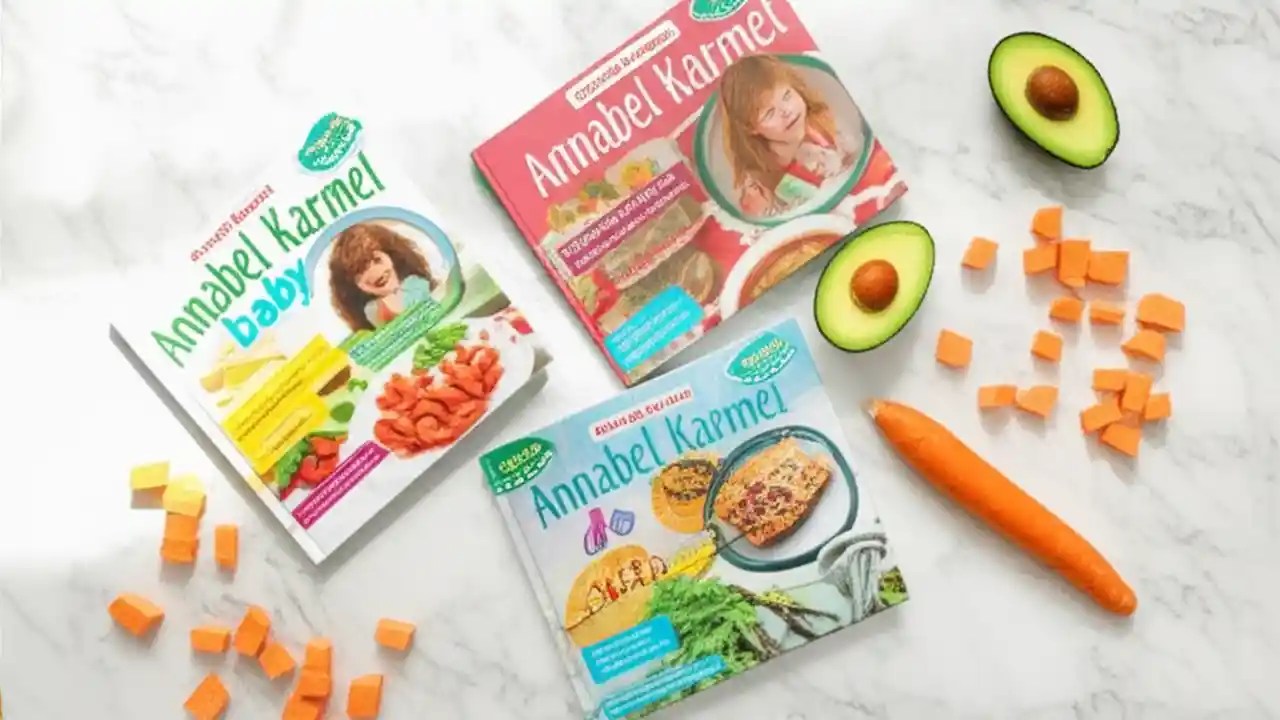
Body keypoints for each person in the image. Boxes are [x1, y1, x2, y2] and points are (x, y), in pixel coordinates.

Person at [718, 54, 859, 218]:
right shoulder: (759, 185)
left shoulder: (822, 124)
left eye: (787, 96)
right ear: (751, 129)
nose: (786, 111)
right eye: (770, 113)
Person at [328, 222, 435, 332]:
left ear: (391, 256)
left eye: (377, 260)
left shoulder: (414, 283)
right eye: (360, 271)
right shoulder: (373, 309)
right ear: (353, 285)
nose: (375, 272)